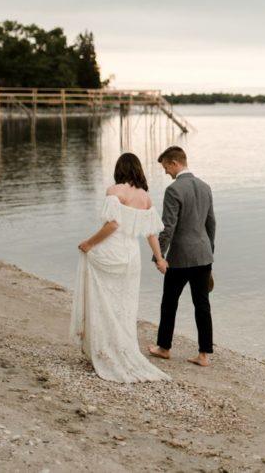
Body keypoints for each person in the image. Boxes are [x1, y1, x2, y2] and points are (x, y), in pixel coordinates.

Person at [69, 152, 170, 383]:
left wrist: (88, 243)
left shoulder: (115, 191)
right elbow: (151, 234)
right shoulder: (145, 198)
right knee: (125, 304)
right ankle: (122, 347)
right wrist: (160, 259)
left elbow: (113, 224)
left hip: (111, 252)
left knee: (103, 299)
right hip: (131, 257)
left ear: (119, 169)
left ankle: (104, 347)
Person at [148, 145, 216, 367]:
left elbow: (168, 226)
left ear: (174, 163)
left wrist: (159, 256)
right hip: (203, 255)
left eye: (166, 166)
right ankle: (204, 354)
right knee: (202, 305)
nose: (166, 171)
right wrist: (210, 254)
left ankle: (164, 347)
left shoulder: (174, 190)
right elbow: (211, 224)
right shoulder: (205, 187)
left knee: (169, 302)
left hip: (180, 257)